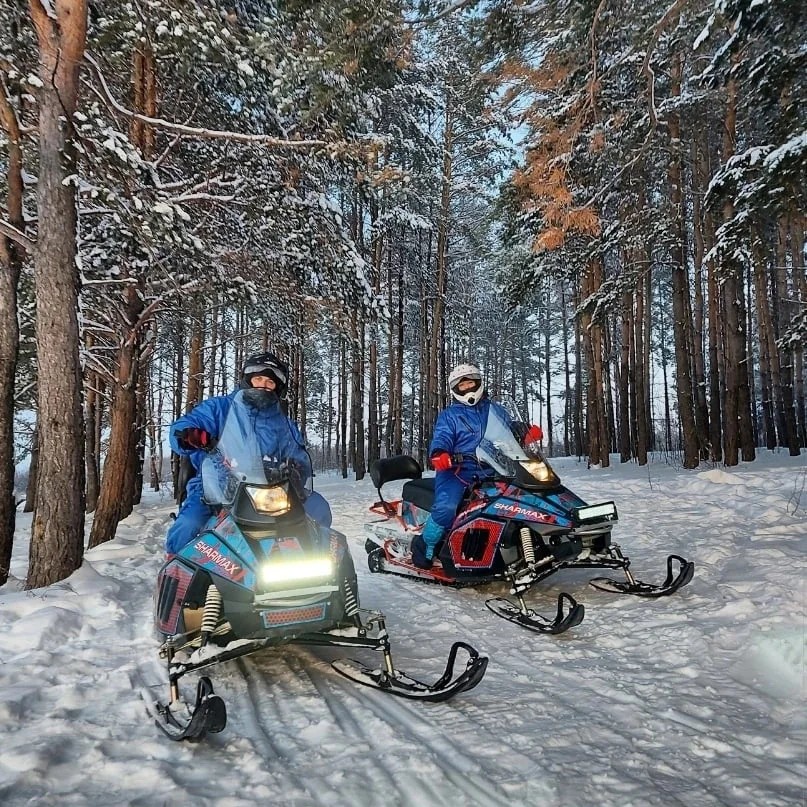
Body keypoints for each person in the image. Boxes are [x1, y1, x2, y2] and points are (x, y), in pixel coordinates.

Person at [165, 351, 332, 555]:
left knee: (318, 509)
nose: (263, 385)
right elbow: (183, 427)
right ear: (247, 379)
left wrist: (297, 469)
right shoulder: (219, 407)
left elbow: (297, 453)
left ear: (277, 387)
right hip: (217, 486)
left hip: (270, 490)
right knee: (190, 523)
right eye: (258, 379)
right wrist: (188, 434)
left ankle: (315, 562)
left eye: (270, 382)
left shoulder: (283, 423)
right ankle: (175, 562)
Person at [411, 363, 542, 569]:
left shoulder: (495, 409)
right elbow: (442, 436)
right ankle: (425, 547)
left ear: (479, 383)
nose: (467, 388)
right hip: (457, 470)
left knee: (517, 498)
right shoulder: (450, 415)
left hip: (492, 468)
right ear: (455, 389)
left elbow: (507, 428)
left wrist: (524, 431)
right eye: (462, 386)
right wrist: (439, 453)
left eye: (470, 383)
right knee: (446, 507)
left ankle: (517, 544)